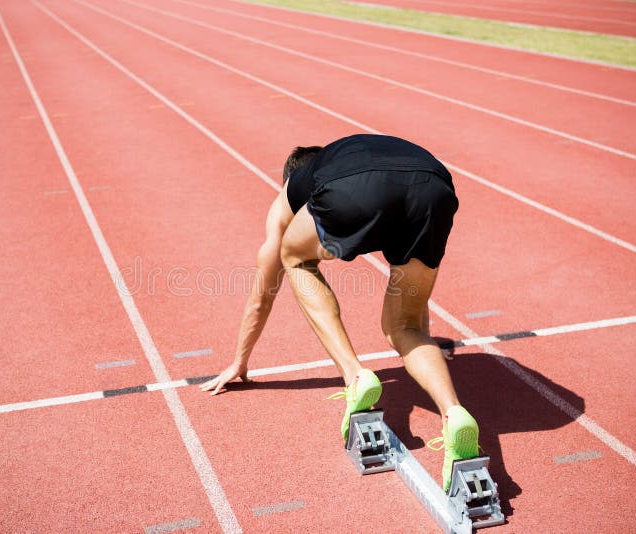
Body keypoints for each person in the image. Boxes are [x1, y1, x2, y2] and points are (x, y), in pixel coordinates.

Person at [200, 134, 478, 492]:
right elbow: (416, 306)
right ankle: (454, 412)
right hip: (433, 184)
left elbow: (263, 292)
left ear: (291, 179)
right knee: (405, 326)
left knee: (294, 257)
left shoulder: (291, 191)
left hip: (355, 188)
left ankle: (354, 375)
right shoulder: (339, 157)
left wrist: (240, 360)